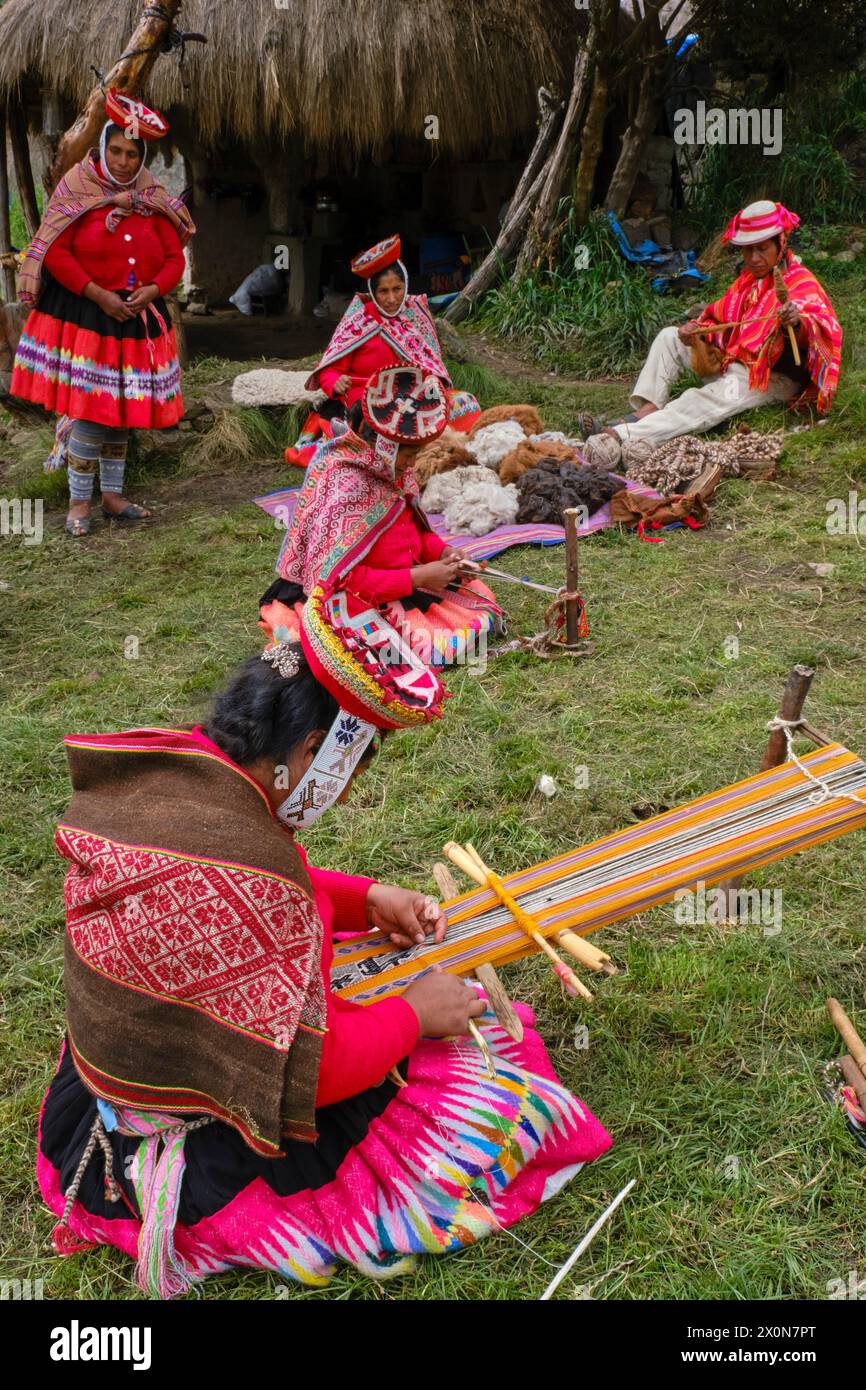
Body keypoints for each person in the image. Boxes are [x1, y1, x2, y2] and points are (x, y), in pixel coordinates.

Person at [36, 606, 611, 1297]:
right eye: (348, 774)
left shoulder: (171, 773)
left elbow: (274, 887)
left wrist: (365, 898)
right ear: (311, 751)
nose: (343, 793)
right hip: (177, 1146)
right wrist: (412, 1015)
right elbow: (311, 1076)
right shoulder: (250, 879)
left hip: (106, 1087)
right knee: (490, 1086)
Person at [11, 89, 195, 536]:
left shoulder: (151, 198)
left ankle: (112, 497)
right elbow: (56, 252)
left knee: (123, 412)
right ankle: (78, 504)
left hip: (137, 320)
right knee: (93, 411)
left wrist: (153, 289)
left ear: (143, 156)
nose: (124, 161)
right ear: (102, 148)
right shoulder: (77, 187)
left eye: (133, 154)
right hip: (88, 318)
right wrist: (98, 294)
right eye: (116, 150)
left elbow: (174, 257)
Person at [261, 364, 501, 668]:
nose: (414, 463)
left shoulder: (391, 471)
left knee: (478, 600)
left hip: (402, 579)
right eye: (409, 454)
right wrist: (417, 578)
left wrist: (444, 552)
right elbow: (336, 581)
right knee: (415, 646)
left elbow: (415, 532)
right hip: (354, 595)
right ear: (385, 445)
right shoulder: (344, 484)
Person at [581, 201, 842, 462]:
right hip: (735, 363)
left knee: (702, 399)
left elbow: (818, 332)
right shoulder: (748, 281)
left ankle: (623, 435)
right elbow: (721, 320)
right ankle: (648, 409)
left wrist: (795, 323)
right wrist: (696, 331)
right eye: (747, 250)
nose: (753, 258)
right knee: (669, 338)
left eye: (762, 249)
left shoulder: (800, 282)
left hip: (770, 378)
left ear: (781, 243)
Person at [286, 234, 480, 466]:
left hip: (412, 397)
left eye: (397, 289)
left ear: (406, 286)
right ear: (373, 292)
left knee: (466, 403)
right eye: (383, 291)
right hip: (369, 402)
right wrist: (335, 382)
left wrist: (431, 387)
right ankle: (413, 448)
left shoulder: (414, 316)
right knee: (387, 428)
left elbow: (430, 366)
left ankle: (423, 445)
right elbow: (329, 370)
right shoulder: (358, 321)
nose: (391, 298)